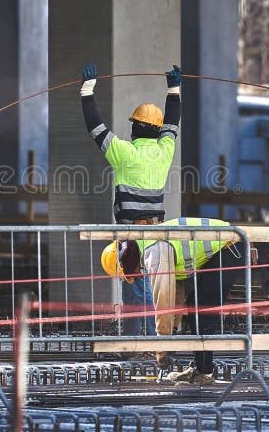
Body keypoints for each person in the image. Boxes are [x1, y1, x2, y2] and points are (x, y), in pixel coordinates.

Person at [81, 63, 182, 337]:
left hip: (132, 237)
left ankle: (145, 347)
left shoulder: (124, 153)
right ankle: (139, 345)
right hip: (158, 237)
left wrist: (87, 90)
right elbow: (172, 124)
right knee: (144, 294)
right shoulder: (165, 151)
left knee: (138, 296)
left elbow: (96, 128)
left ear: (136, 127)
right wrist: (174, 89)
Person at [101, 217, 248, 385]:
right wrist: (173, 330)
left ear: (127, 262)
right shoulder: (149, 245)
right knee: (195, 304)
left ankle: (204, 373)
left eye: (130, 273)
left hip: (230, 245)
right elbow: (176, 291)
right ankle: (200, 368)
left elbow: (163, 298)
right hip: (227, 244)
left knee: (201, 307)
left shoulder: (153, 250)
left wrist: (163, 343)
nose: (136, 275)